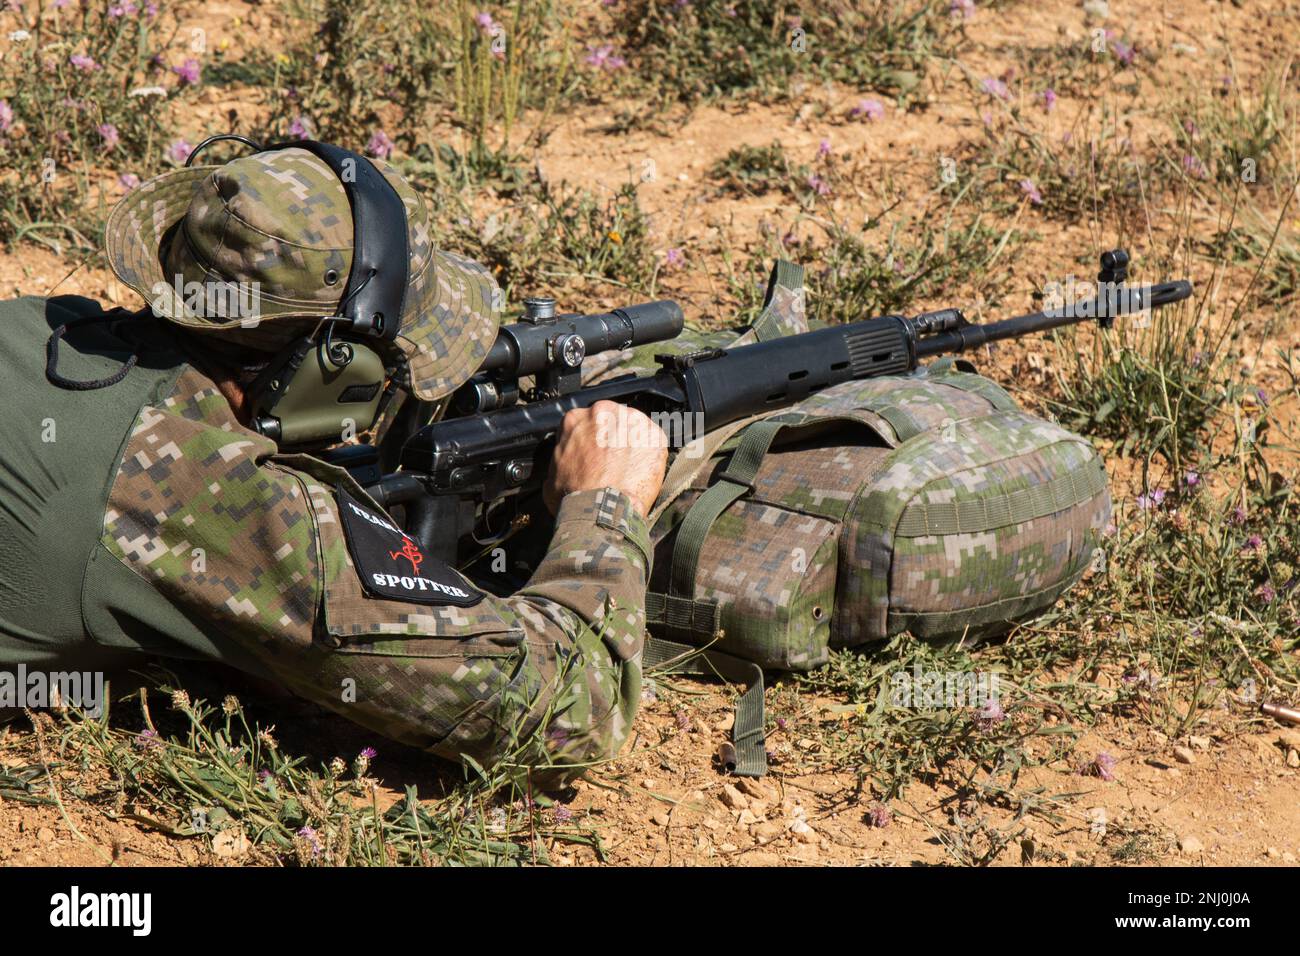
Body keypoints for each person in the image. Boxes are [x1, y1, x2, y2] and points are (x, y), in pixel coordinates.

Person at [0, 145, 667, 778]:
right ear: (324, 371)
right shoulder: (198, 485)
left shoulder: (39, 326)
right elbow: (565, 713)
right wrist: (605, 499)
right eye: (390, 369)